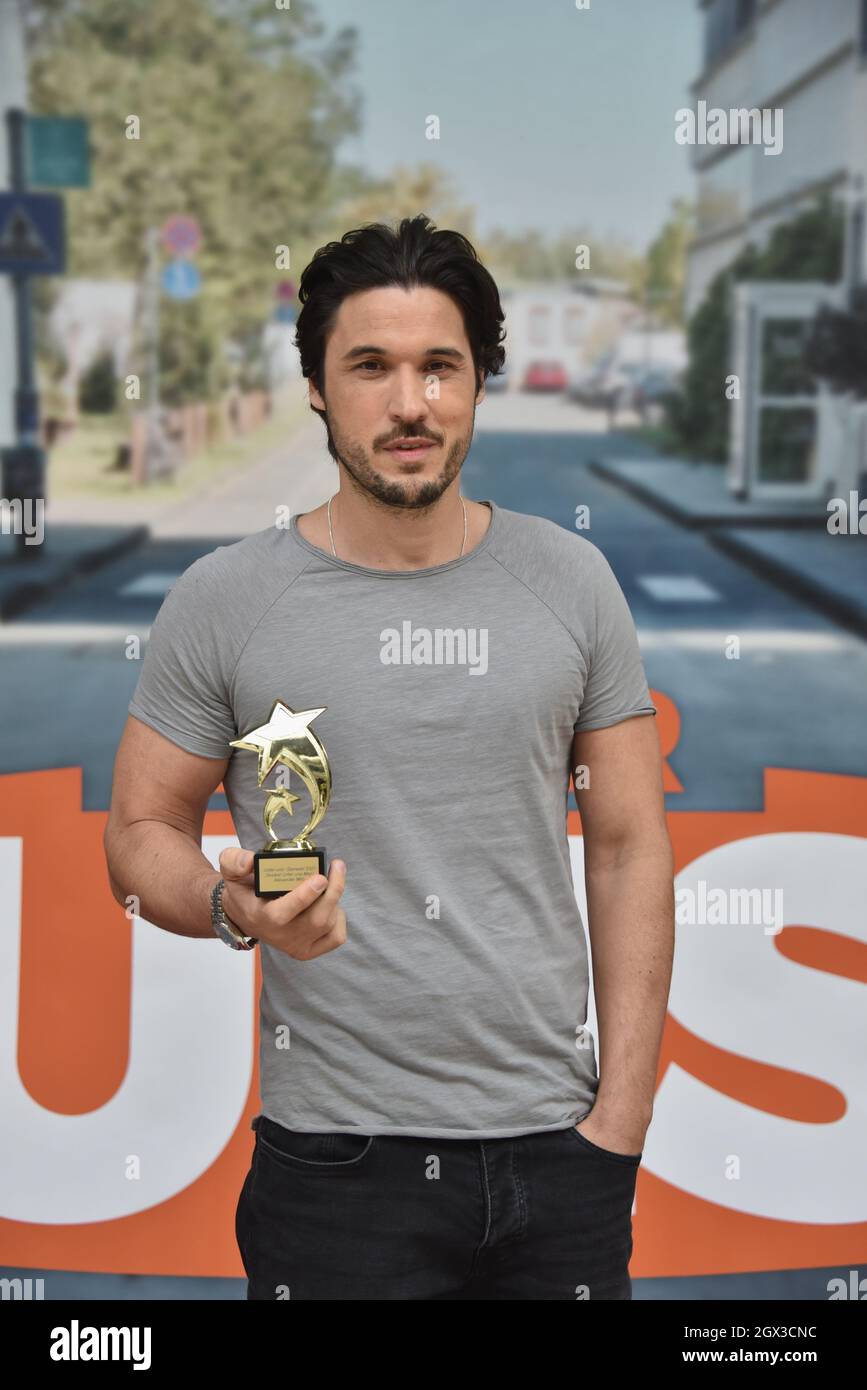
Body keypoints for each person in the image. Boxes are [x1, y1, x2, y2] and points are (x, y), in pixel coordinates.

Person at [104, 214, 675, 1301]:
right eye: (370, 366)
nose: (409, 403)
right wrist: (235, 911)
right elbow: (138, 835)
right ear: (317, 385)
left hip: (560, 1151)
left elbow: (629, 842)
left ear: (477, 382)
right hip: (335, 1165)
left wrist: (621, 1122)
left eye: (438, 367)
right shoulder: (226, 598)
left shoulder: (572, 583)